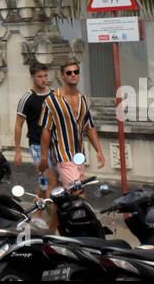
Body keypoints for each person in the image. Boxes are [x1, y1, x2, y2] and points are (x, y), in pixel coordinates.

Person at [37, 60, 105, 200]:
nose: (73, 75)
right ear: (62, 76)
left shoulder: (84, 99)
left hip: (79, 155)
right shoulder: (52, 101)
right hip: (63, 155)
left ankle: (55, 221)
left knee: (64, 196)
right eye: (69, 73)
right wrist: (44, 157)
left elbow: (90, 127)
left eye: (76, 72)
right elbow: (46, 131)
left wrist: (99, 150)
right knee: (78, 194)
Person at [13, 62, 54, 197]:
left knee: (46, 183)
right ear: (32, 77)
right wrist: (17, 151)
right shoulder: (27, 98)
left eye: (45, 76)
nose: (43, 79)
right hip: (37, 145)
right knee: (51, 181)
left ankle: (37, 210)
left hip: (55, 145)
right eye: (39, 76)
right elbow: (18, 124)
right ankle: (55, 216)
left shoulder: (55, 95)